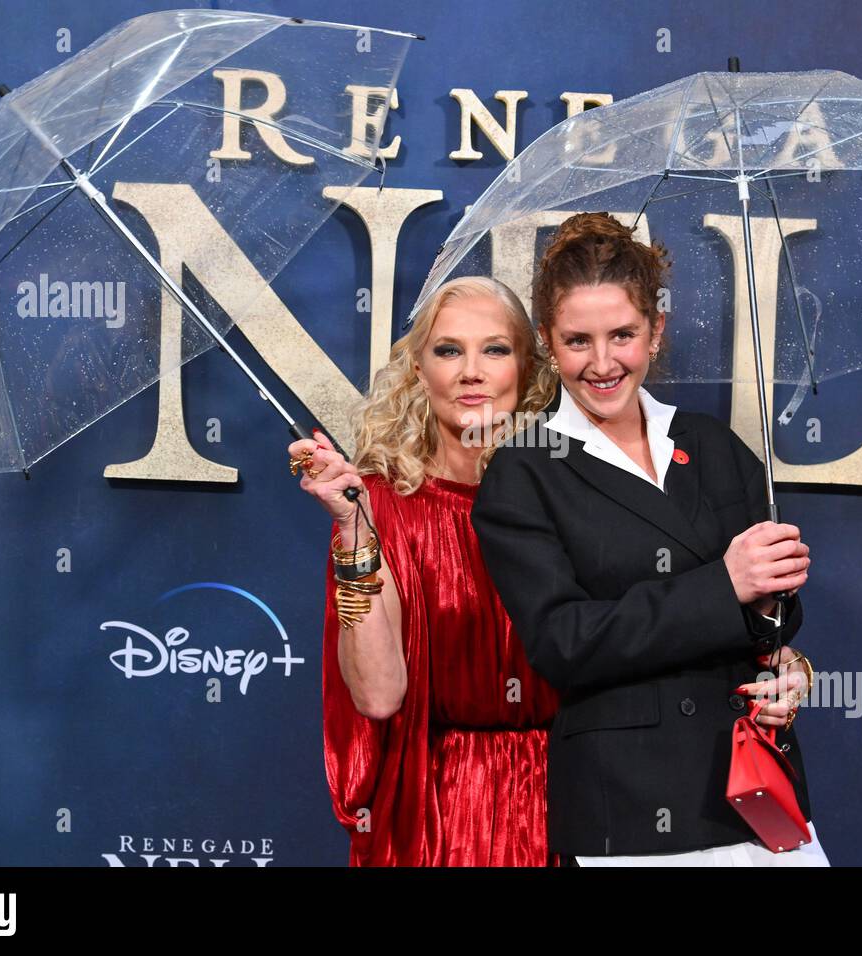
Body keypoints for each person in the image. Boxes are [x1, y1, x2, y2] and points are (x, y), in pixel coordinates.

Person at [470, 212, 828, 866]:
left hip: (761, 798)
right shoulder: (523, 472)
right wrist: (724, 585)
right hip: (629, 811)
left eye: (623, 335)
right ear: (548, 341)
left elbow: (775, 618)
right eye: (578, 340)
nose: (602, 363)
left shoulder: (715, 447)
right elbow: (565, 643)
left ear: (655, 331)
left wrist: (783, 665)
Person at [289, 276, 562, 866]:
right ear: (418, 371)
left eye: (495, 349)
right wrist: (353, 528)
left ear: (528, 369)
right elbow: (380, 696)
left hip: (567, 811)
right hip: (431, 821)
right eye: (448, 350)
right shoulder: (380, 507)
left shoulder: (573, 502)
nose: (471, 371)